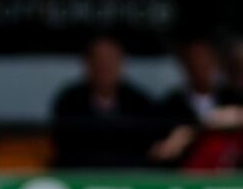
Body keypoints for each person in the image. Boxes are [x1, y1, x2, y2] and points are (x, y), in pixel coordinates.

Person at [158, 34, 243, 171]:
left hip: (229, 175)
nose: (199, 65)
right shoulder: (171, 103)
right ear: (184, 64)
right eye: (193, 59)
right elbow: (162, 151)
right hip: (186, 176)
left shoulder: (232, 96)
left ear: (215, 61)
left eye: (204, 58)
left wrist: (198, 128)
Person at [50, 35, 165, 168]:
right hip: (81, 176)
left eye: (110, 59)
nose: (105, 66)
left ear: (121, 63)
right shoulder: (69, 101)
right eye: (98, 59)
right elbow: (65, 145)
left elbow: (149, 147)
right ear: (87, 64)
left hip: (129, 177)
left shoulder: (140, 102)